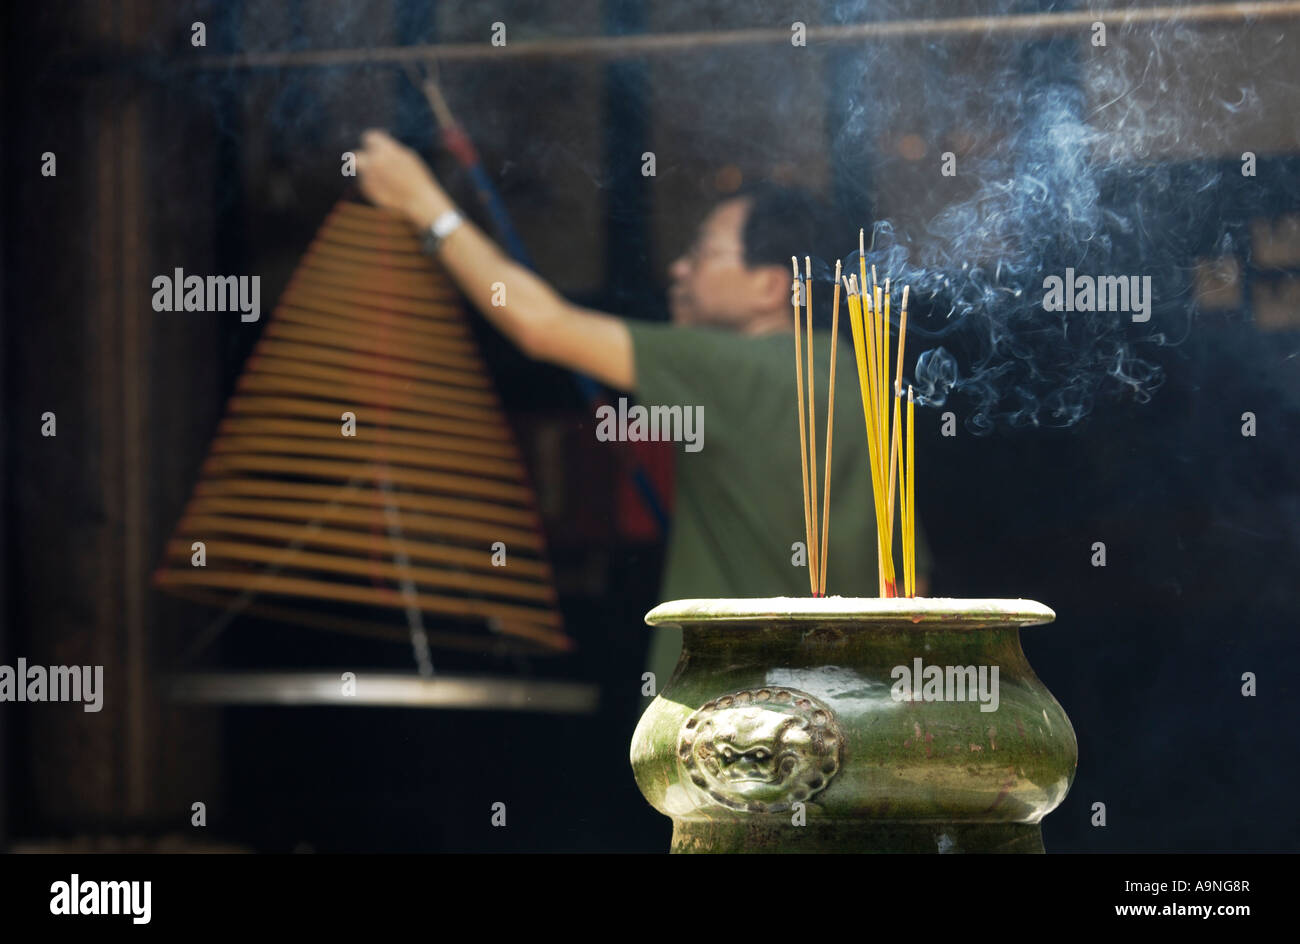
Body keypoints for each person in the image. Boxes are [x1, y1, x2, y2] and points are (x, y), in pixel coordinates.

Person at [354, 130, 930, 702]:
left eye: (703, 252)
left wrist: (421, 201)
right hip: (853, 717)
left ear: (770, 285)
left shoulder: (734, 367)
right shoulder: (862, 378)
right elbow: (913, 585)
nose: (678, 269)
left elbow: (541, 325)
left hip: (732, 724)